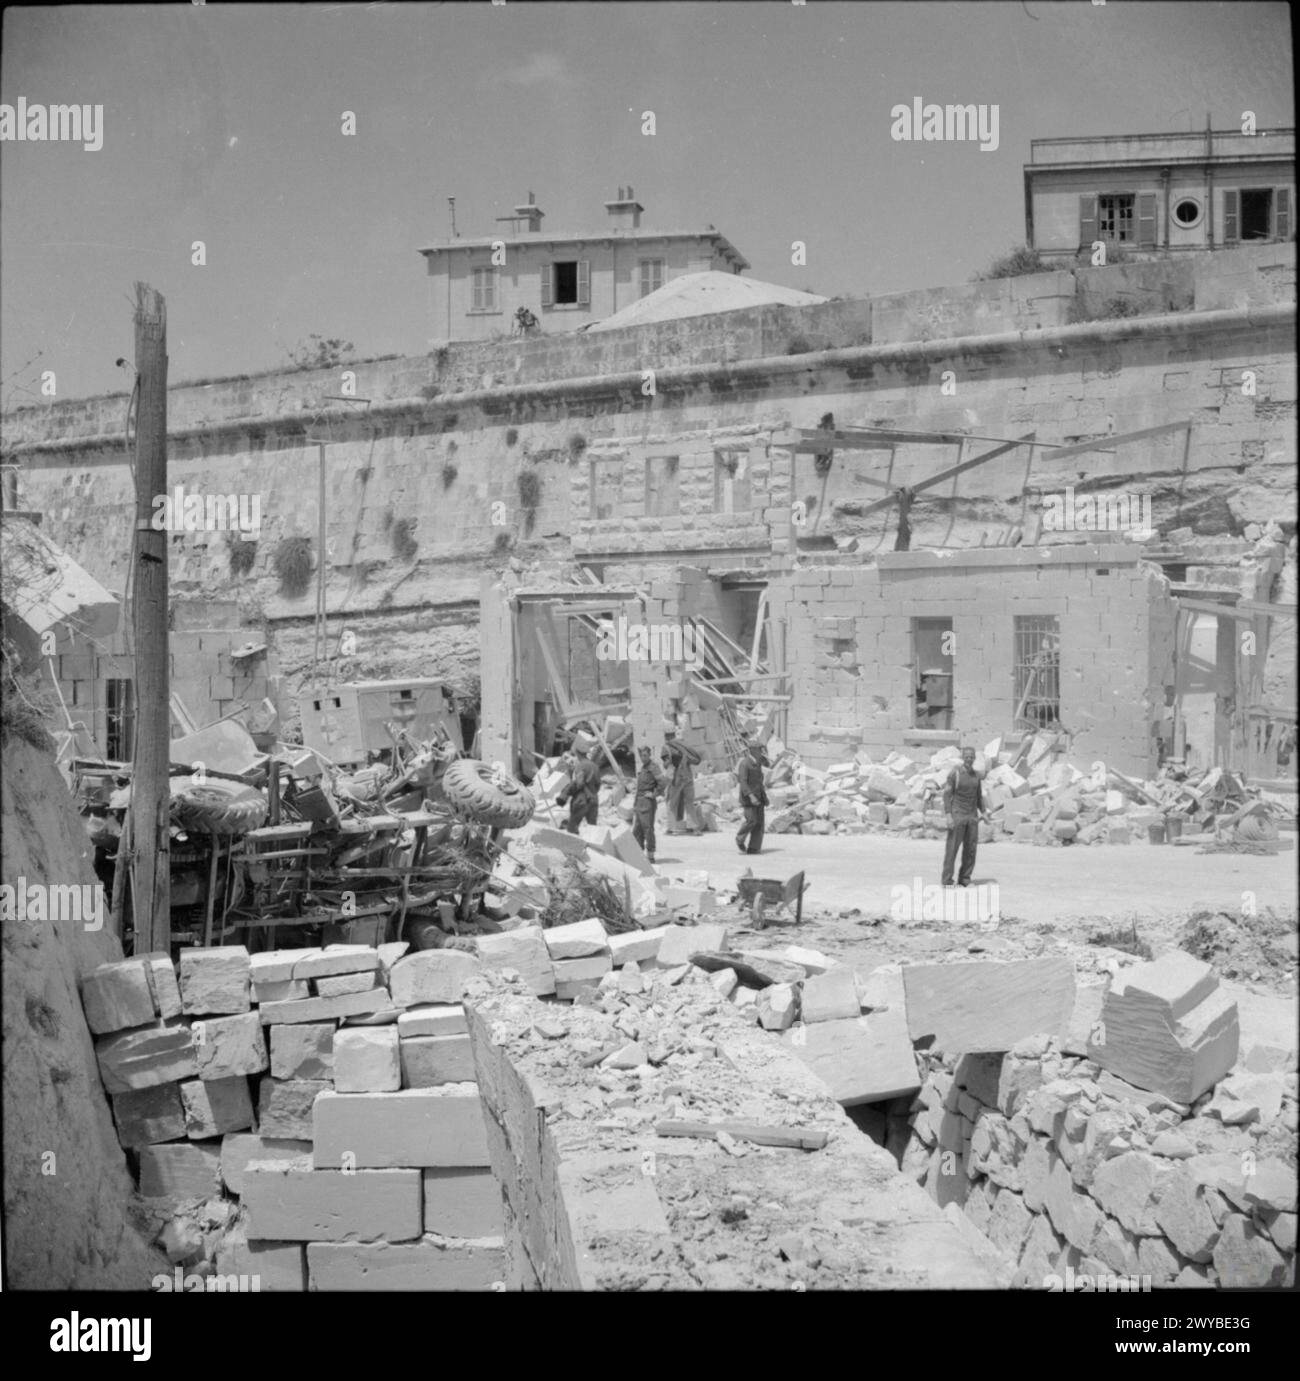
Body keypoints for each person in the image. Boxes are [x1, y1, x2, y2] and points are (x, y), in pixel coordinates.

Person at [942, 746, 990, 887]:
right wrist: (948, 815)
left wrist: (984, 812)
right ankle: (947, 881)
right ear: (963, 757)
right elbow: (947, 795)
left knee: (970, 850)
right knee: (952, 850)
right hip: (957, 815)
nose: (969, 759)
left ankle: (965, 879)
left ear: (974, 758)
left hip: (972, 817)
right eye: (967, 756)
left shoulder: (976, 776)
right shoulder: (955, 774)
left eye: (971, 757)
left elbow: (979, 797)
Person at [662, 726, 704, 835]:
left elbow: (666, 765)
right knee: (689, 803)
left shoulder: (667, 747)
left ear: (665, 735)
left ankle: (672, 828)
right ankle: (695, 828)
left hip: (677, 778)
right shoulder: (683, 745)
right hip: (688, 777)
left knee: (672, 803)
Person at [631, 745, 667, 863]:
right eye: (641, 755)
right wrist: (635, 804)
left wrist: (654, 794)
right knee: (637, 830)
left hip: (647, 803)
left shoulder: (653, 767)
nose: (643, 757)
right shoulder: (643, 767)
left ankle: (650, 856)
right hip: (639, 803)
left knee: (648, 829)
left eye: (645, 755)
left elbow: (662, 782)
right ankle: (639, 854)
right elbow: (639, 788)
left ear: (649, 755)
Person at [556, 746, 601, 834]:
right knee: (592, 830)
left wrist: (569, 792)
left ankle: (572, 847)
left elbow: (579, 783)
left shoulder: (581, 766)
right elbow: (598, 785)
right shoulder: (595, 767)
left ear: (578, 754)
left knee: (572, 827)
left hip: (581, 800)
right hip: (594, 800)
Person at [735, 737, 768, 855]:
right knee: (751, 821)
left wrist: (764, 797)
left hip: (759, 797)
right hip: (748, 799)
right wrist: (751, 796)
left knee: (759, 823)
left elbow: (759, 782)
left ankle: (754, 848)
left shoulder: (758, 762)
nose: (761, 751)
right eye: (759, 749)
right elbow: (743, 782)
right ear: (753, 750)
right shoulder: (744, 764)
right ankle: (740, 838)